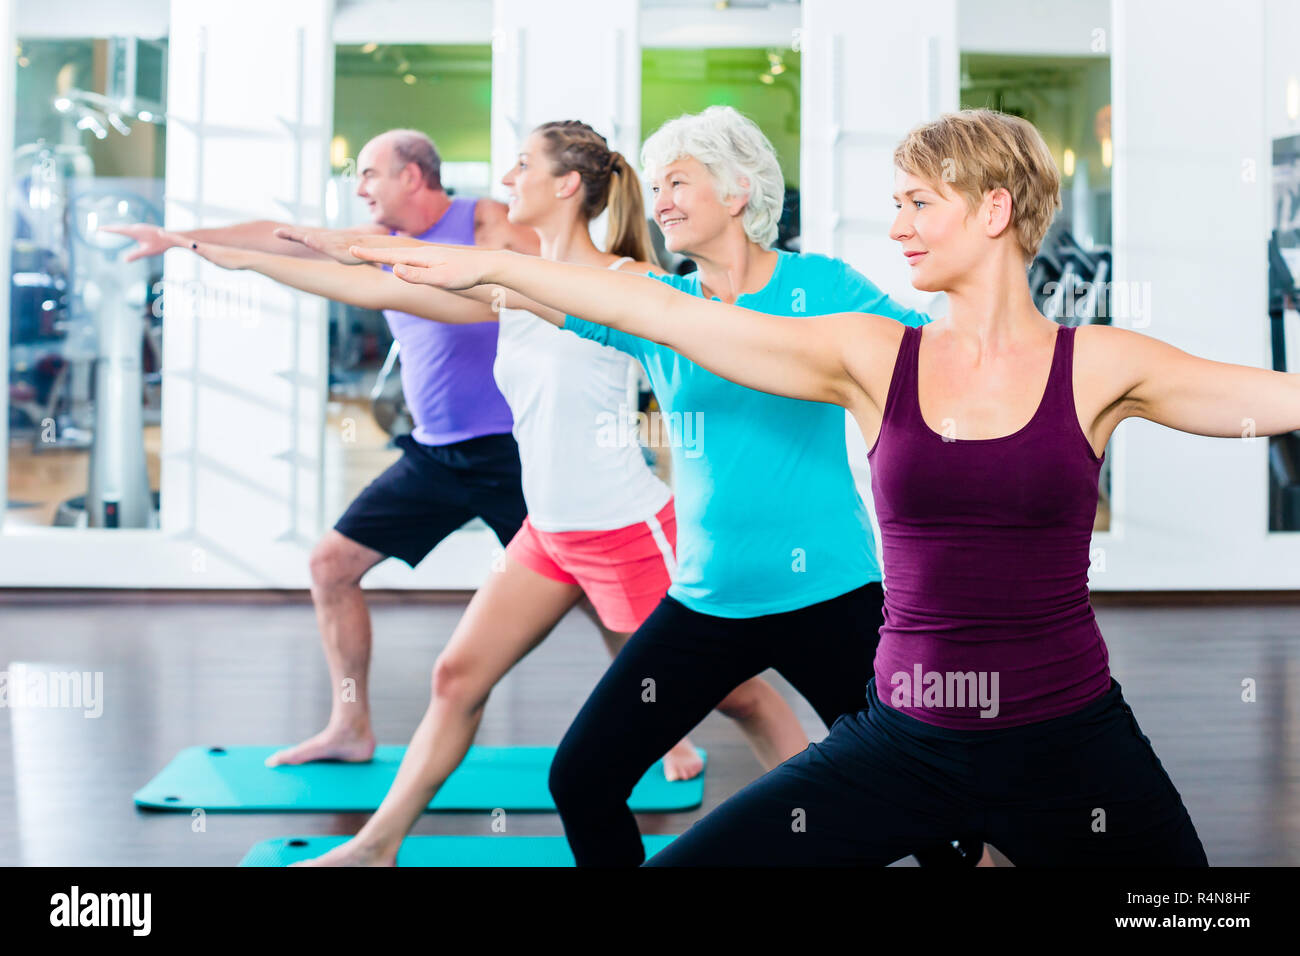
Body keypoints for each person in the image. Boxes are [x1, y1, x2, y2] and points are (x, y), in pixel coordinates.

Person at [357, 107, 1251, 866]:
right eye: (894, 204)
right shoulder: (866, 347)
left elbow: (1267, 399)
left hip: (1061, 729)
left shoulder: (1083, 361)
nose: (896, 225)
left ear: (993, 210)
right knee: (607, 795)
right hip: (886, 721)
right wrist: (501, 266)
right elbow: (655, 310)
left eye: (916, 204)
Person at [351, 105, 986, 868]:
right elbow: (536, 287)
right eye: (654, 186)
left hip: (832, 592)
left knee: (927, 799)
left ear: (738, 191)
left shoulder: (823, 286)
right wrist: (429, 260)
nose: (661, 203)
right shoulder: (657, 302)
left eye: (678, 182)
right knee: (583, 779)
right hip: (709, 601)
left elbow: (936, 356)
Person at [173, 119, 808, 865]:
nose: (507, 181)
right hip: (550, 534)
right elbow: (371, 278)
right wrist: (251, 263)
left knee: (738, 695)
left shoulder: (629, 284)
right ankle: (376, 846)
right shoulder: (513, 285)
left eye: (521, 167)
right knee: (455, 678)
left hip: (628, 532)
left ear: (567, 185)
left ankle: (820, 818)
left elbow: (724, 339)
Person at [107, 129, 539, 768]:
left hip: (514, 453)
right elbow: (276, 233)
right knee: (330, 567)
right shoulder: (379, 247)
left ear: (414, 175)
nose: (360, 189)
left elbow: (561, 276)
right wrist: (180, 241)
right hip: (436, 455)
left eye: (370, 174)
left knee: (591, 583)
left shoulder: (483, 220)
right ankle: (349, 725)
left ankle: (662, 728)